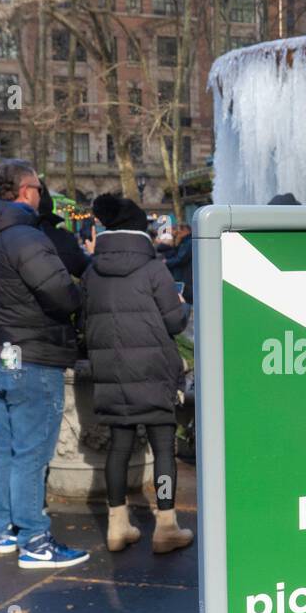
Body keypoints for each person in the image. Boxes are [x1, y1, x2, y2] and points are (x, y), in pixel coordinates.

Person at [0, 159, 89, 568]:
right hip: (32, 353)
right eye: (37, 186)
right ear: (22, 191)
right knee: (32, 454)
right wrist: (77, 301)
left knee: (4, 450)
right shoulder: (23, 235)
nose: (40, 193)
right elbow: (61, 293)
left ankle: (5, 531)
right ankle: (35, 540)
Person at [84, 194, 193, 555]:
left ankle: (117, 526)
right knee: (164, 449)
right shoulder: (154, 269)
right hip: (154, 371)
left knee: (119, 448)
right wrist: (183, 305)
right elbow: (174, 322)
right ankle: (165, 525)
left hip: (111, 371)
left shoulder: (92, 270)